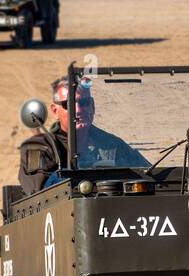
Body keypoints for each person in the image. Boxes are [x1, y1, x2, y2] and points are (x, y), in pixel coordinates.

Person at [18, 76, 149, 193]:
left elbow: (148, 173)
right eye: (68, 104)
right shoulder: (41, 147)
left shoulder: (111, 143)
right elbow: (38, 195)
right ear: (55, 110)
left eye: (84, 103)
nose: (78, 110)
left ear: (92, 106)